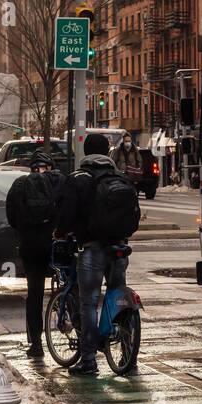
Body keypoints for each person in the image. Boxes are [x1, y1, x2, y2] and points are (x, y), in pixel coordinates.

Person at [54, 134, 139, 375]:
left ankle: (89, 361)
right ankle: (127, 352)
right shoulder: (120, 178)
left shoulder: (78, 178)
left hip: (91, 248)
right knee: (119, 296)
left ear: (85, 151)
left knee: (89, 302)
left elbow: (66, 214)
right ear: (107, 151)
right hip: (119, 248)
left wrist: (59, 232)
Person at [5, 152, 63, 358]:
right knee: (70, 287)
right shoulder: (59, 182)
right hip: (56, 243)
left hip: (30, 245)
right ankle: (73, 322)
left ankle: (36, 343)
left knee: (35, 293)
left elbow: (11, 217)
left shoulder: (20, 185)